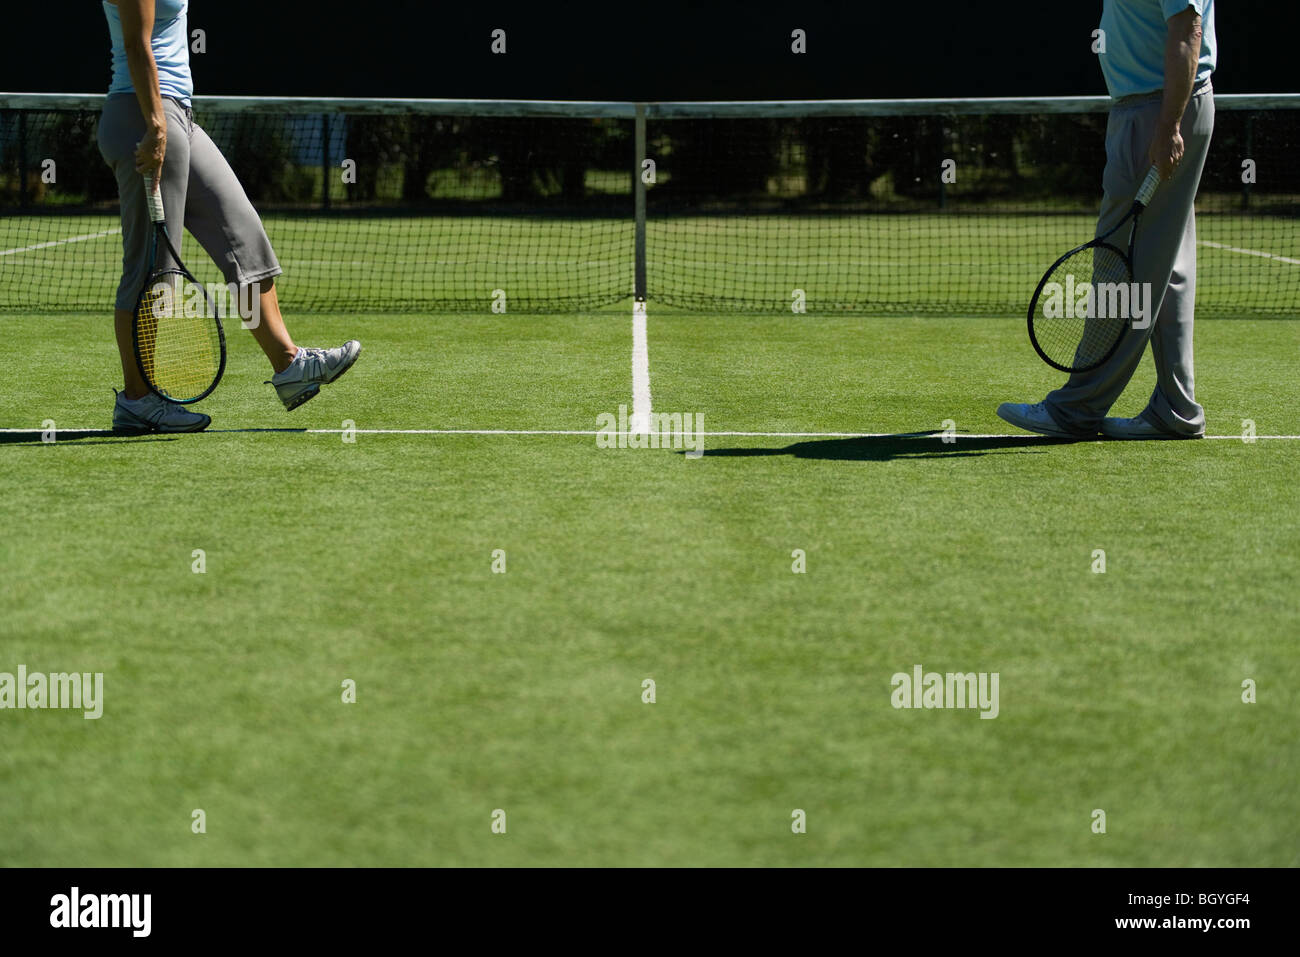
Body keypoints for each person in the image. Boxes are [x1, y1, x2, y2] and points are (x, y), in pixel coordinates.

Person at [99, 0, 360, 434]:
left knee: (242, 234)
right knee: (152, 274)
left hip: (178, 114)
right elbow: (135, 43)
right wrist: (157, 126)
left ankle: (289, 365)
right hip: (145, 117)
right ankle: (137, 401)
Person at [998, 0, 1215, 439]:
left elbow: (1187, 30)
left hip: (1156, 115)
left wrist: (1168, 126)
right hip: (1151, 110)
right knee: (1167, 271)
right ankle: (1176, 408)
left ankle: (1077, 409)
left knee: (1121, 268)